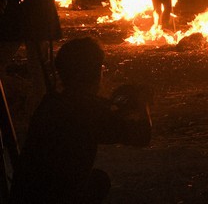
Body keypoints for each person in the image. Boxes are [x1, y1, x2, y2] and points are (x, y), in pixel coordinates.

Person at [10, 37, 152, 203]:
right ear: (93, 72)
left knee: (96, 179)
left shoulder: (51, 102)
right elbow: (142, 136)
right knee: (99, 181)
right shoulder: (87, 111)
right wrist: (143, 103)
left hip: (25, 194)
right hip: (55, 196)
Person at [0, 0, 62, 117]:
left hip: (15, 19)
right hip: (39, 20)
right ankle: (38, 110)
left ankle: (12, 104)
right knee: (39, 71)